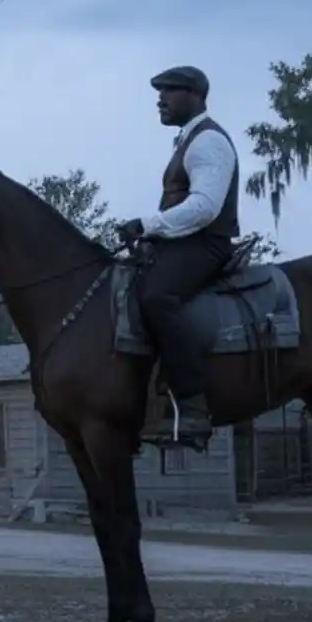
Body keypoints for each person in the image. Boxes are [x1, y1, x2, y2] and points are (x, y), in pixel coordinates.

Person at [116, 65, 239, 448]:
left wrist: (148, 224)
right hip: (185, 242)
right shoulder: (187, 141)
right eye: (160, 91)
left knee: (156, 297)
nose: (160, 99)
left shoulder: (208, 142)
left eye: (170, 91)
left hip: (207, 243)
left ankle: (193, 405)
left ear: (196, 96)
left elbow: (204, 207)